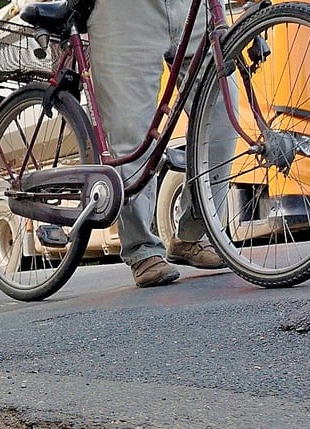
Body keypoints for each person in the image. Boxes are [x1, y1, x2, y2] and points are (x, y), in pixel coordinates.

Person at [86, 0, 234, 288]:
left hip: (193, 5)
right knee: (131, 130)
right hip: (125, 11)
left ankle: (193, 234)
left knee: (222, 114)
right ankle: (142, 249)